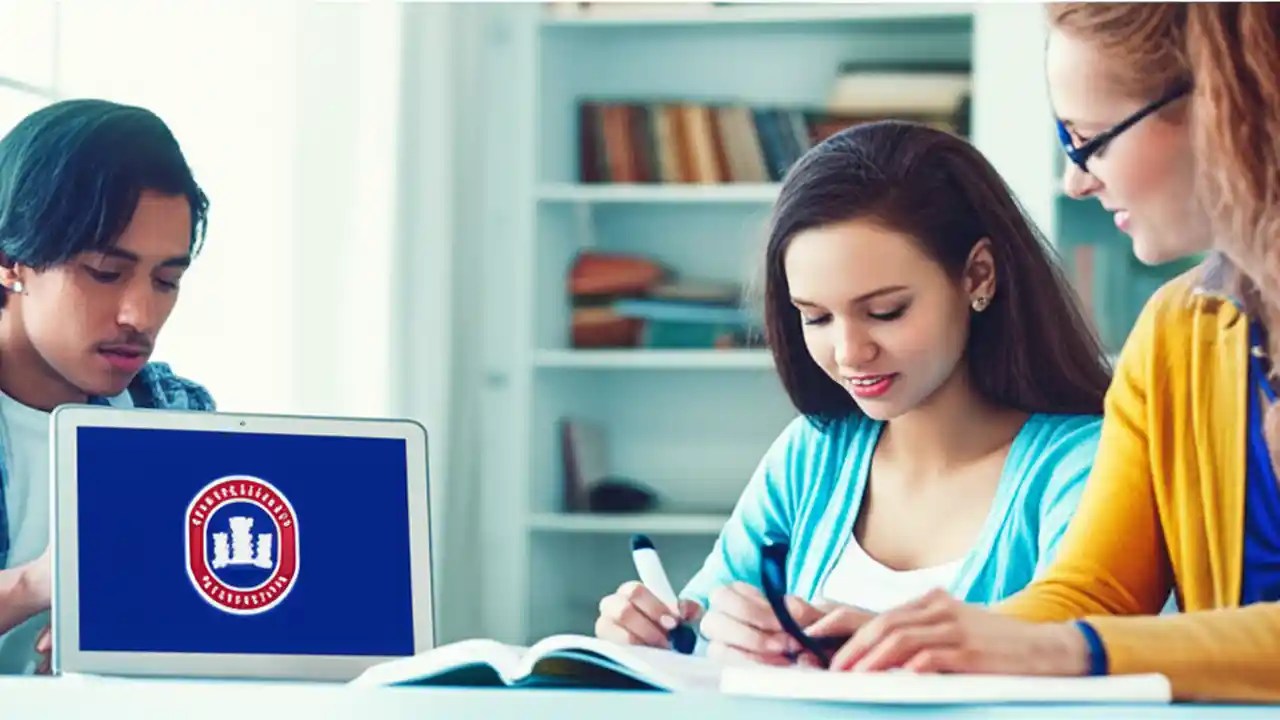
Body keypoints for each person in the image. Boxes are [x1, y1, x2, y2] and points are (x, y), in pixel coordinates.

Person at [810, 2, 1280, 703]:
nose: (1077, 180)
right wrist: (904, 645)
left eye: (1088, 138)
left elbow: (1079, 635)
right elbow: (1097, 588)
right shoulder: (1178, 335)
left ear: (1223, 105)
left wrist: (1064, 649)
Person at [595, 120, 1111, 665]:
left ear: (978, 275)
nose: (849, 352)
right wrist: (655, 637)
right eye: (815, 317)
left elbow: (1098, 659)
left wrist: (896, 651)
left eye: (885, 312)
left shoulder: (1082, 466)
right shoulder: (811, 455)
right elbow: (695, 631)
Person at [0, 98, 215, 673]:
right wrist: (34, 585)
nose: (140, 315)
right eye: (105, 273)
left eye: (167, 281)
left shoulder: (175, 415)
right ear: (10, 261)